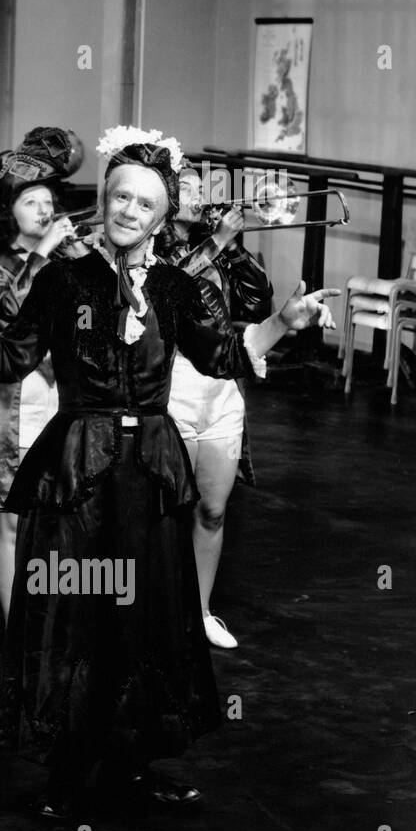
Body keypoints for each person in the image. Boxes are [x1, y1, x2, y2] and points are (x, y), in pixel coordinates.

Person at [0, 125, 338, 817]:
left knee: (145, 620)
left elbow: (222, 354)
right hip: (77, 471)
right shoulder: (63, 280)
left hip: (150, 473)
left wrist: (285, 319)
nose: (126, 210)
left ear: (162, 216)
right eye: (118, 195)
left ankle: (129, 763)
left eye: (143, 203)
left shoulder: (180, 289)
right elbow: (11, 357)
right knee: (75, 615)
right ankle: (67, 768)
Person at [0, 133, 87, 620]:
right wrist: (42, 257)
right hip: (16, 401)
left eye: (46, 201)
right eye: (30, 201)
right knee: (14, 522)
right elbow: (16, 316)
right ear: (8, 214)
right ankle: (16, 623)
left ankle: (59, 616)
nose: (42, 210)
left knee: (65, 518)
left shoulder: (67, 259)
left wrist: (81, 258)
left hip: (68, 398)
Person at [155, 166, 274, 649]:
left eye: (203, 190)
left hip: (220, 387)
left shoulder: (219, 245)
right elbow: (163, 293)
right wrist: (217, 245)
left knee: (213, 510)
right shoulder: (151, 246)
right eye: (189, 189)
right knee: (165, 511)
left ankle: (199, 610)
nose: (201, 198)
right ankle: (156, 613)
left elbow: (258, 300)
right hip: (170, 384)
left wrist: (235, 246)